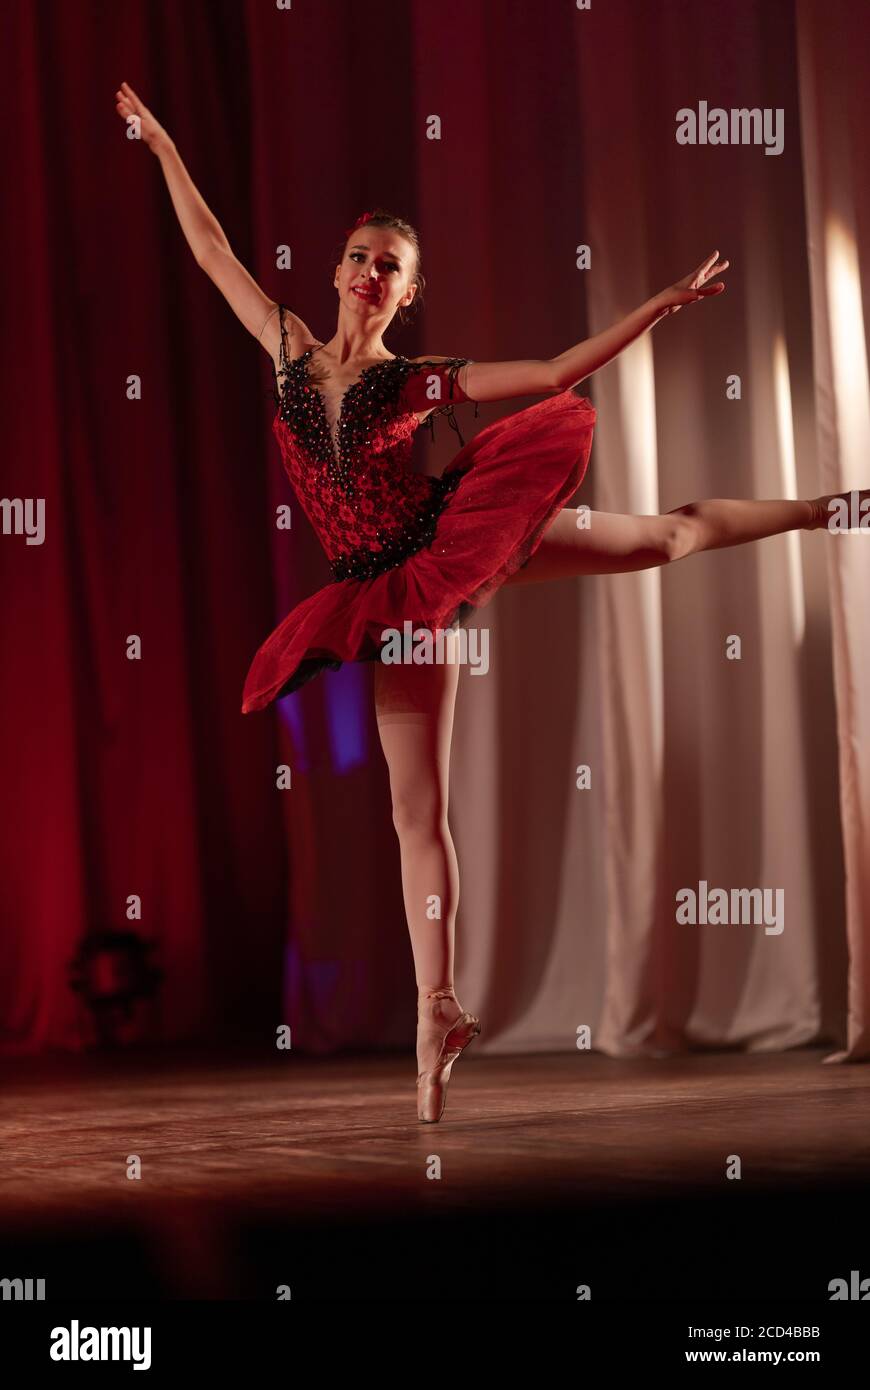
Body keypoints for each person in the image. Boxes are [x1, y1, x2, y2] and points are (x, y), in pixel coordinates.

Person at [115, 82, 867, 1123]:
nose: (372, 275)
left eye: (393, 268)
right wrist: (160, 143)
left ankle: (828, 507)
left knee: (660, 537)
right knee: (412, 807)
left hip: (448, 547)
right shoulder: (286, 347)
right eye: (362, 258)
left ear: (407, 294)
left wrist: (659, 303)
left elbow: (554, 370)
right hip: (387, 590)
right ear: (335, 271)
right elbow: (209, 249)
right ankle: (439, 1013)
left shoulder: (417, 378)